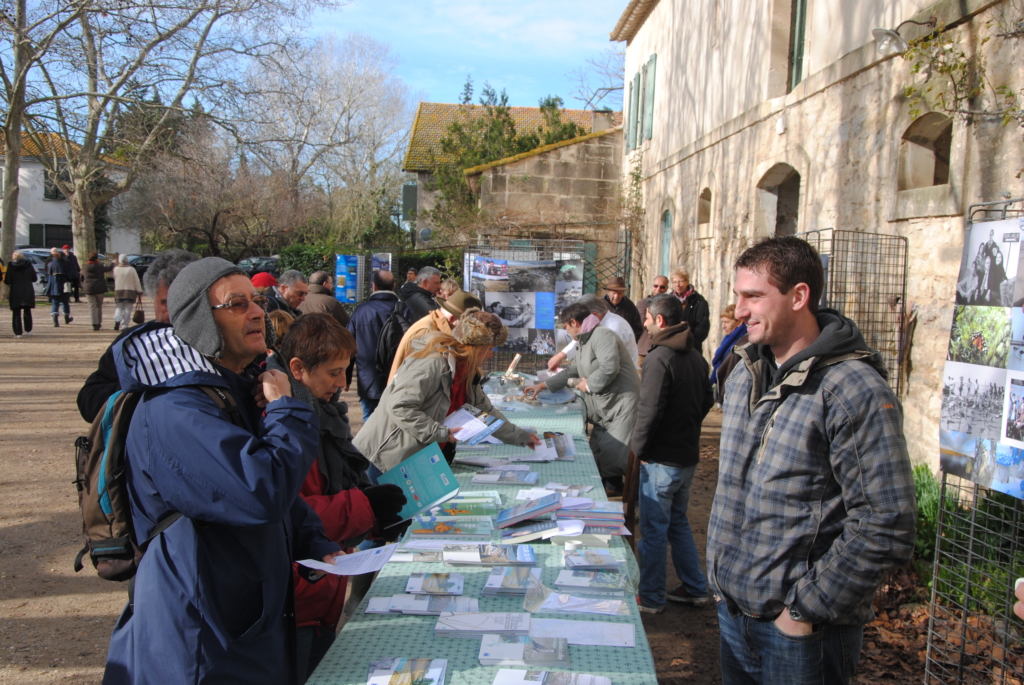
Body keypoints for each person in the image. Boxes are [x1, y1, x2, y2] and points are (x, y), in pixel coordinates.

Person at [102, 257, 342, 685]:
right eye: (236, 304)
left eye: (256, 300)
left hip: (243, 617)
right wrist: (286, 409)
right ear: (199, 320)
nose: (256, 312)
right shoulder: (176, 408)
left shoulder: (236, 387)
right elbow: (260, 492)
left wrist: (313, 539)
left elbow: (278, 490)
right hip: (200, 632)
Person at [707, 237, 915, 685]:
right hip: (734, 614)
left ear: (799, 296)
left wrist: (805, 609)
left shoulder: (852, 389)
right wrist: (721, 585)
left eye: (754, 296)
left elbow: (887, 520)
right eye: (738, 295)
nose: (739, 311)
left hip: (800, 636)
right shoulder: (744, 371)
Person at [266, 313, 407, 683]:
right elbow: (288, 513)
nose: (343, 384)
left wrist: (375, 511)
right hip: (297, 596)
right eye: (333, 373)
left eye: (347, 371)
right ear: (297, 368)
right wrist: (366, 507)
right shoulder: (285, 425)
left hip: (321, 588)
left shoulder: (323, 416)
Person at [354, 309, 541, 472]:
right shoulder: (432, 363)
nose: (491, 355)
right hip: (382, 458)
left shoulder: (466, 372)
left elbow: (486, 413)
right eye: (489, 349)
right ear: (474, 347)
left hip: (411, 458)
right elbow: (400, 407)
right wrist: (441, 433)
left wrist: (522, 437)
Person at [631, 294, 713, 613]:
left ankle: (650, 596)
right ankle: (694, 587)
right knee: (676, 522)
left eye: (647, 319)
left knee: (653, 530)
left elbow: (648, 411)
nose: (645, 324)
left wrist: (638, 450)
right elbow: (706, 401)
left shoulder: (659, 357)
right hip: (686, 456)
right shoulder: (695, 357)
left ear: (660, 320)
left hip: (662, 460)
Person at [526, 301, 641, 496]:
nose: (565, 329)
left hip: (621, 403)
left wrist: (587, 384)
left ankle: (632, 498)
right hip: (604, 406)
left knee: (614, 456)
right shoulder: (584, 340)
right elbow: (573, 369)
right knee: (594, 454)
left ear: (573, 322)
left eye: (565, 325)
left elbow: (609, 367)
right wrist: (544, 385)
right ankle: (603, 491)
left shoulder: (602, 335)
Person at [77, 249, 201, 423]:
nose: (175, 313)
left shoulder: (227, 337)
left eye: (186, 303)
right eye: (166, 303)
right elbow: (89, 403)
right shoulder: (134, 342)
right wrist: (141, 379)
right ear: (153, 300)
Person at [388, 289, 483, 384]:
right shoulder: (426, 332)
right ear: (452, 318)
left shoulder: (437, 326)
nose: (466, 331)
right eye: (465, 325)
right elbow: (413, 383)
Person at [348, 270, 399, 421]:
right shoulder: (405, 310)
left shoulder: (361, 311)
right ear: (394, 286)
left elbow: (347, 345)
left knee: (370, 421)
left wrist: (346, 376)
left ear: (373, 286)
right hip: (399, 377)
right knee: (396, 423)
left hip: (368, 379)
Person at [546, 294, 638, 371]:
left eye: (581, 318)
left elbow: (607, 365)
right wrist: (561, 355)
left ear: (594, 315)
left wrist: (586, 384)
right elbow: (580, 338)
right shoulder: (597, 324)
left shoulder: (613, 328)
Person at [710, 305, 748, 405]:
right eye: (722, 322)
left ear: (739, 322)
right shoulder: (728, 339)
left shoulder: (742, 342)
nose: (723, 326)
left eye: (727, 322)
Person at [670, 269, 710, 349]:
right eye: (674, 282)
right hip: (671, 345)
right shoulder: (668, 300)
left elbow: (702, 327)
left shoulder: (698, 301)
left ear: (687, 282)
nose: (677, 285)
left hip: (691, 347)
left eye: (680, 281)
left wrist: (689, 341)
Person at [4, 251, 37, 338]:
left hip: (15, 290)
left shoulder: (11, 266)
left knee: (16, 312)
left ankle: (18, 332)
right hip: (27, 290)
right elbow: (34, 278)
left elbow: (7, 280)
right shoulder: (29, 265)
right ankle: (28, 330)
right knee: (27, 311)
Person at [636, 275, 669, 359]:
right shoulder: (642, 303)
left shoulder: (669, 305)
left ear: (666, 288)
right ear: (652, 286)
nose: (658, 289)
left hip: (662, 350)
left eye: (662, 287)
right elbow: (643, 322)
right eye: (656, 286)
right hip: (643, 350)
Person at [603, 276, 643, 341]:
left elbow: (637, 328)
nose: (616, 296)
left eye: (619, 293)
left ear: (623, 293)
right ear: (608, 292)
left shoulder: (630, 306)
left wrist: (629, 341)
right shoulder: (600, 306)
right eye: (614, 293)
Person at [81, 252, 113, 331]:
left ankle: (94, 323)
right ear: (97, 258)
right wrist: (112, 263)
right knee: (99, 305)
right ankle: (98, 322)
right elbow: (108, 269)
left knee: (92, 306)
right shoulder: (99, 266)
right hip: (99, 287)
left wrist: (83, 284)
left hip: (89, 288)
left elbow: (81, 277)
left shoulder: (84, 267)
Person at [112, 254, 142, 331]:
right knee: (128, 309)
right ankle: (124, 325)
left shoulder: (116, 269)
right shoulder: (131, 269)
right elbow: (136, 281)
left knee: (119, 307)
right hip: (130, 291)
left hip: (118, 291)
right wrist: (139, 291)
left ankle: (117, 320)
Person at [46, 247, 73, 326]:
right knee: (65, 302)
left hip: (54, 285)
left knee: (55, 303)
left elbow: (48, 275)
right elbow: (69, 274)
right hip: (64, 284)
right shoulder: (66, 263)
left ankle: (55, 320)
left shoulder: (50, 264)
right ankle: (66, 318)